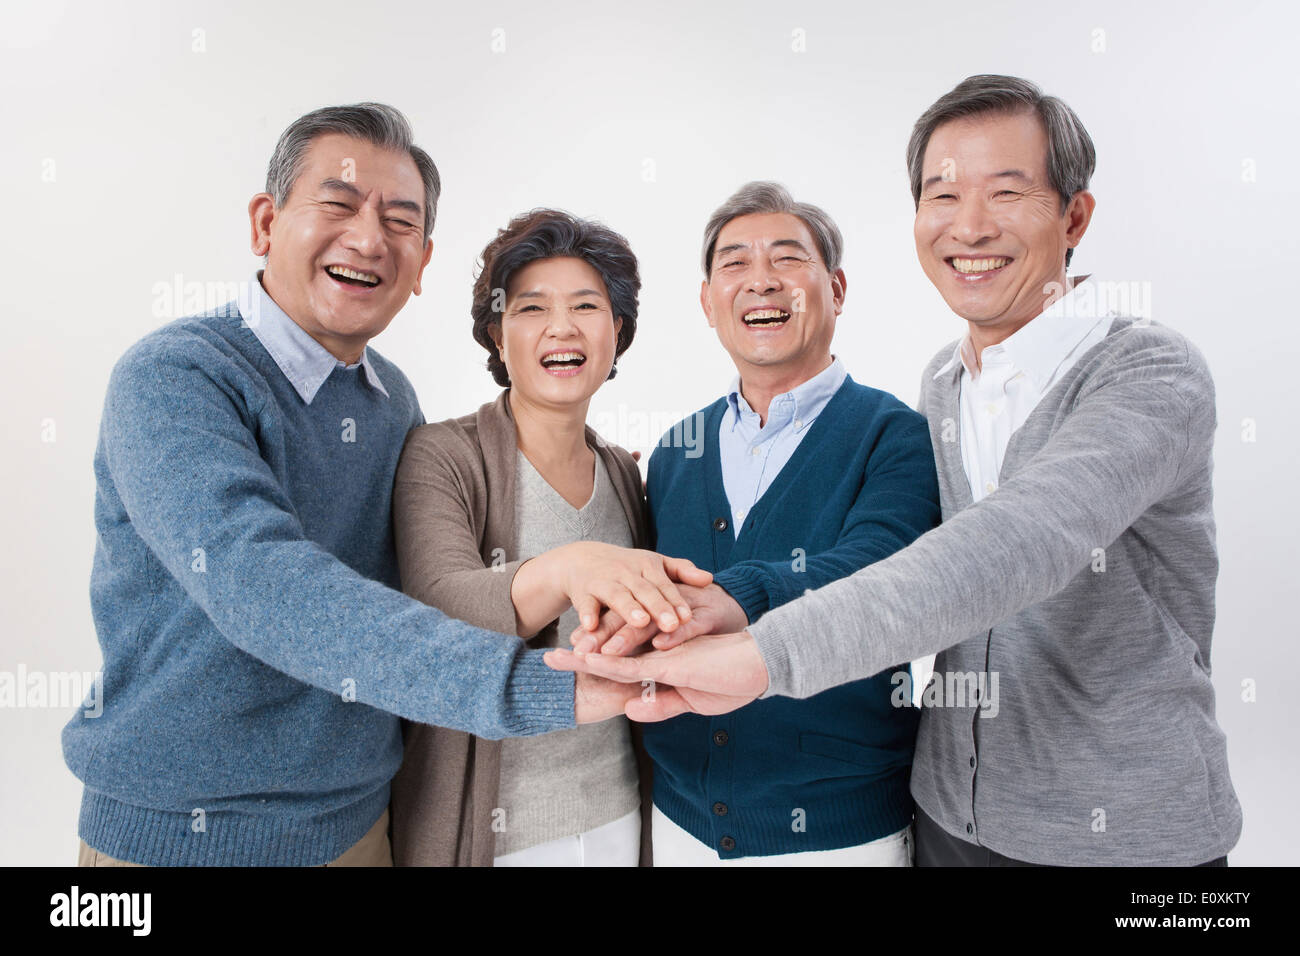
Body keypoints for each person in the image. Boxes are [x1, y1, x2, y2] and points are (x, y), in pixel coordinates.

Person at [548, 75, 1242, 867]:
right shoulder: (946, 383)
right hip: (950, 814)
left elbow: (1015, 544)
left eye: (1007, 192)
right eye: (942, 196)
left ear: (1075, 215)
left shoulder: (1148, 372)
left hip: (1121, 829)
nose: (969, 225)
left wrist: (757, 640)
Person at [63, 104, 688, 867]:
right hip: (184, 836)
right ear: (265, 223)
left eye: (399, 221)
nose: (367, 238)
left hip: (362, 828)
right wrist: (543, 683)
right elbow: (263, 586)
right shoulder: (177, 377)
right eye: (337, 203)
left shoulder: (393, 403)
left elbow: (403, 605)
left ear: (422, 262)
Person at [567, 183, 941, 865]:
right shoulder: (677, 451)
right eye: (734, 264)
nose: (760, 281)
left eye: (788, 259)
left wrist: (737, 597)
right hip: (679, 823)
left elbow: (882, 569)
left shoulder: (896, 436)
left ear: (837, 287)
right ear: (708, 302)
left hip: (838, 835)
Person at [388, 209, 710, 866]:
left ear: (616, 333)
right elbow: (439, 613)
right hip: (497, 835)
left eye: (587, 306)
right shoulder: (442, 456)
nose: (562, 327)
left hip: (617, 816)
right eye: (531, 308)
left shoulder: (625, 473)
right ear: (498, 338)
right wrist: (569, 567)